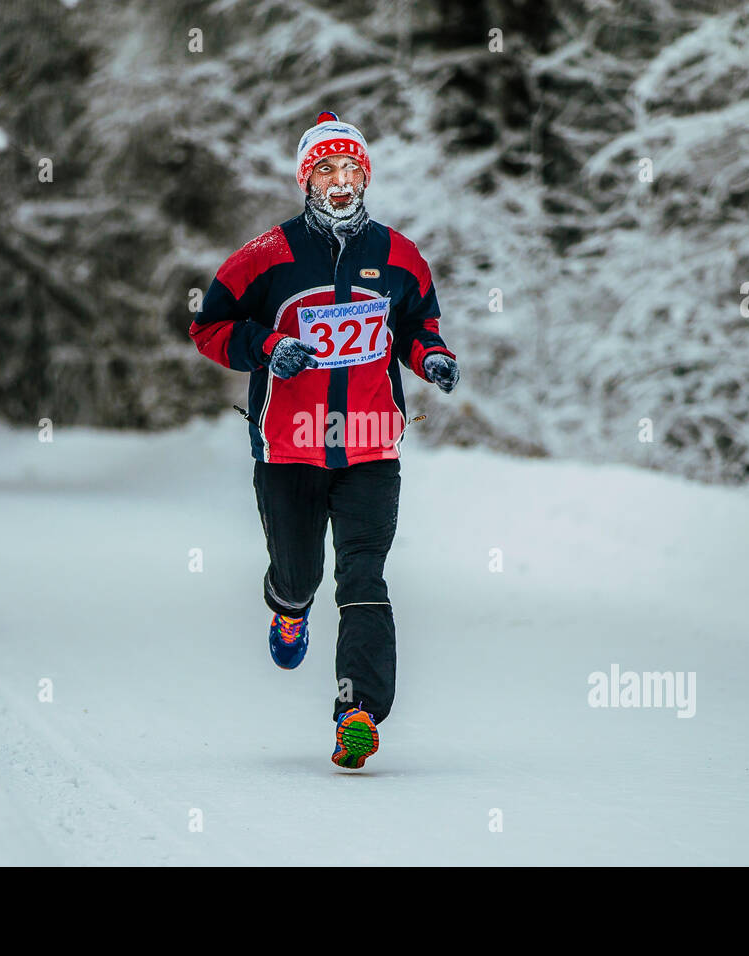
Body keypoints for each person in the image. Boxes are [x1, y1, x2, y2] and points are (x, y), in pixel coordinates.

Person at [189, 111, 459, 768]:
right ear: (306, 180)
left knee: (364, 576)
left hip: (369, 446)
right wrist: (266, 346)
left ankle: (357, 713)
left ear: (365, 177)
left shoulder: (399, 256)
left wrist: (432, 358)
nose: (340, 181)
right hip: (290, 448)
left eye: (351, 169)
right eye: (326, 170)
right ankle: (287, 605)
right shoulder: (266, 256)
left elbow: (419, 323)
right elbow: (209, 326)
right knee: (301, 573)